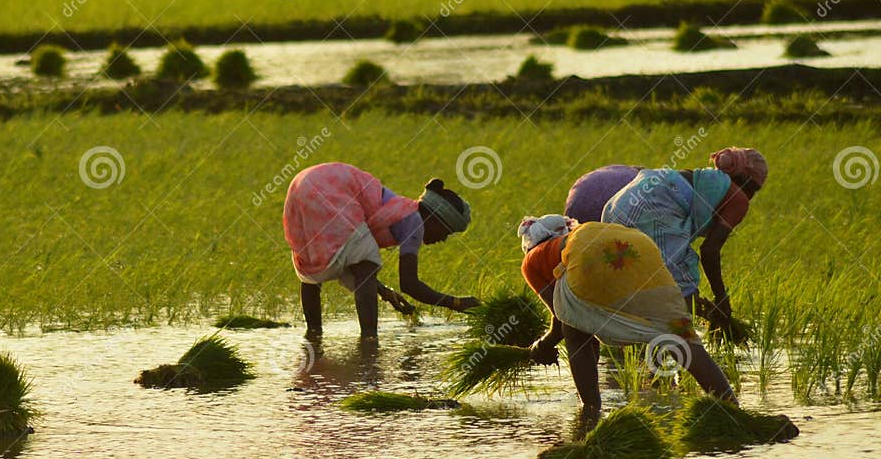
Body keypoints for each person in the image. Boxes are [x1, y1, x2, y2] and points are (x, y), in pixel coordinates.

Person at [518, 214, 737, 410]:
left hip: (588, 255)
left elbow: (562, 318)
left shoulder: (531, 259)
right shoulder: (574, 237)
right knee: (681, 336)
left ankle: (590, 411)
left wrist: (542, 346)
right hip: (638, 245)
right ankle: (732, 407)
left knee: (574, 332)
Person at [283, 162, 480, 340]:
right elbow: (409, 284)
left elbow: (351, 259)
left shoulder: (400, 211)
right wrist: (456, 303)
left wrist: (384, 292)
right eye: (446, 232)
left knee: (312, 262)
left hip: (302, 185)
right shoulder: (415, 223)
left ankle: (313, 336)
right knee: (367, 264)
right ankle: (369, 342)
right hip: (329, 188)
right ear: (435, 218)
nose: (443, 239)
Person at [599, 147, 767, 333]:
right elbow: (710, 250)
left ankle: (705, 327)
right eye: (755, 190)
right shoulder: (738, 199)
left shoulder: (702, 179)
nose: (751, 197)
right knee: (678, 288)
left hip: (617, 207)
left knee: (641, 283)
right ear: (748, 182)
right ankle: (711, 330)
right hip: (650, 209)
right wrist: (721, 298)